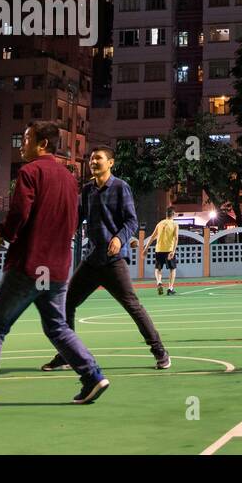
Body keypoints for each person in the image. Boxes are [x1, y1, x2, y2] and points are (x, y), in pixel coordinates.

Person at [0, 122, 108, 410]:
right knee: (57, 326)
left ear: (43, 144)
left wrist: (3, 234)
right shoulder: (69, 178)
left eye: (25, 139)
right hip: (58, 268)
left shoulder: (29, 172)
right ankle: (92, 375)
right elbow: (73, 221)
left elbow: (19, 213)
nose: (21, 145)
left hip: (30, 265)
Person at [41, 146, 170, 371]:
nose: (93, 161)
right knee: (67, 303)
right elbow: (74, 219)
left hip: (113, 260)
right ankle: (66, 354)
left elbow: (131, 221)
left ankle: (160, 351)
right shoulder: (88, 191)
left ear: (110, 163)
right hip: (92, 260)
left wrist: (120, 239)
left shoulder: (121, 187)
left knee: (133, 306)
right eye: (91, 159)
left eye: (98, 158)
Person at [149, 206, 179, 295]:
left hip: (159, 250)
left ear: (166, 215)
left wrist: (145, 248)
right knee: (172, 269)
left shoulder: (160, 224)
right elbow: (176, 238)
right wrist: (173, 251)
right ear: (173, 214)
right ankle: (170, 288)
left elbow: (152, 236)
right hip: (169, 250)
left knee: (158, 269)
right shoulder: (175, 224)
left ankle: (159, 282)